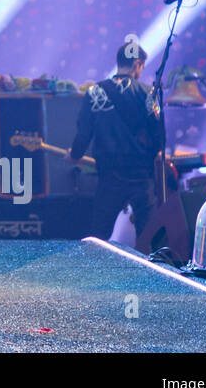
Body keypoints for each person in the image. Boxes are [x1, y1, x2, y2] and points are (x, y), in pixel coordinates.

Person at [68, 42, 166, 240]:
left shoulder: (94, 93)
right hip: (141, 176)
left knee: (99, 238)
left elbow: (83, 134)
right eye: (142, 67)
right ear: (137, 64)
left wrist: (74, 155)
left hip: (109, 176)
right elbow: (159, 137)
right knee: (148, 237)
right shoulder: (150, 94)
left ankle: (96, 271)